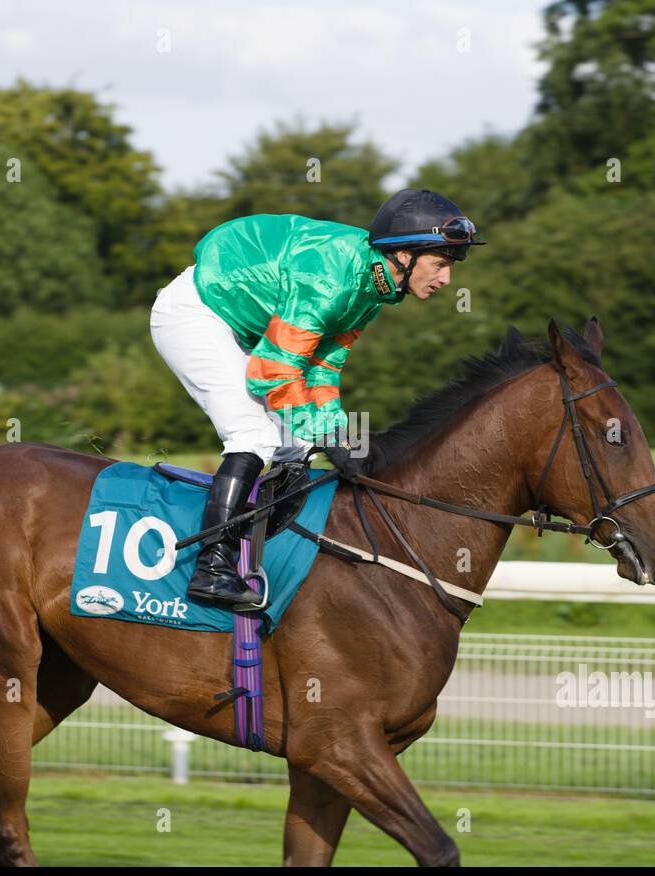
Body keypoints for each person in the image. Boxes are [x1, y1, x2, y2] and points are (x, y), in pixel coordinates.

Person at [149, 188, 485, 609]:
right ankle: (212, 568)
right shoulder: (330, 279)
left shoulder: (375, 290)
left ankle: (265, 555)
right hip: (196, 313)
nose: (446, 280)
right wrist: (331, 438)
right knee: (253, 436)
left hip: (247, 328)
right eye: (440, 264)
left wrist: (341, 434)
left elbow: (322, 368)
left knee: (297, 446)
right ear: (403, 256)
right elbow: (273, 371)